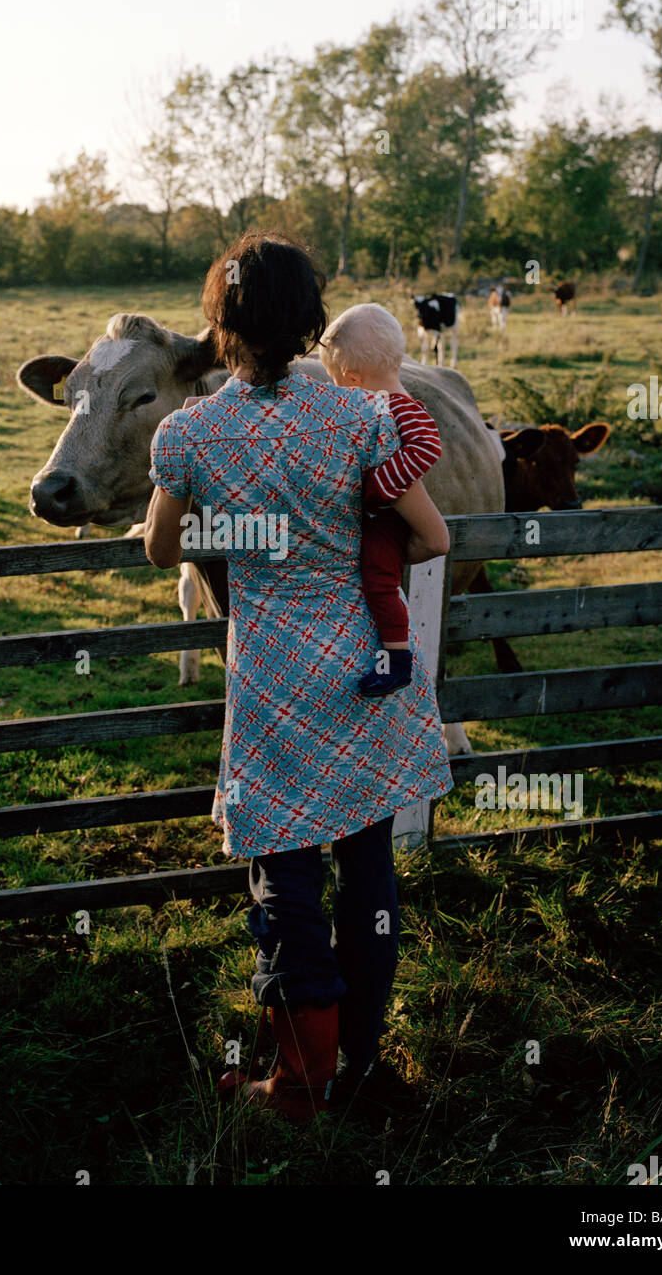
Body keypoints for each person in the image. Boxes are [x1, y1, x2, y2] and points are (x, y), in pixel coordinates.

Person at [144, 231, 454, 1122]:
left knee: (286, 880)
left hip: (276, 678)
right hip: (365, 669)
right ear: (310, 322)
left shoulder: (191, 433)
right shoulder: (363, 420)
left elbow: (165, 546)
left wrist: (252, 539)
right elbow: (434, 538)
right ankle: (358, 1067)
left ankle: (296, 1085)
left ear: (221, 329)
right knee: (368, 873)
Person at [318, 304, 448, 697]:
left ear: (354, 381)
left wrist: (378, 485)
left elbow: (429, 446)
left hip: (389, 517)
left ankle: (397, 660)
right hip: (380, 514)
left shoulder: (401, 408)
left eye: (337, 385)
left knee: (379, 583)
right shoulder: (386, 406)